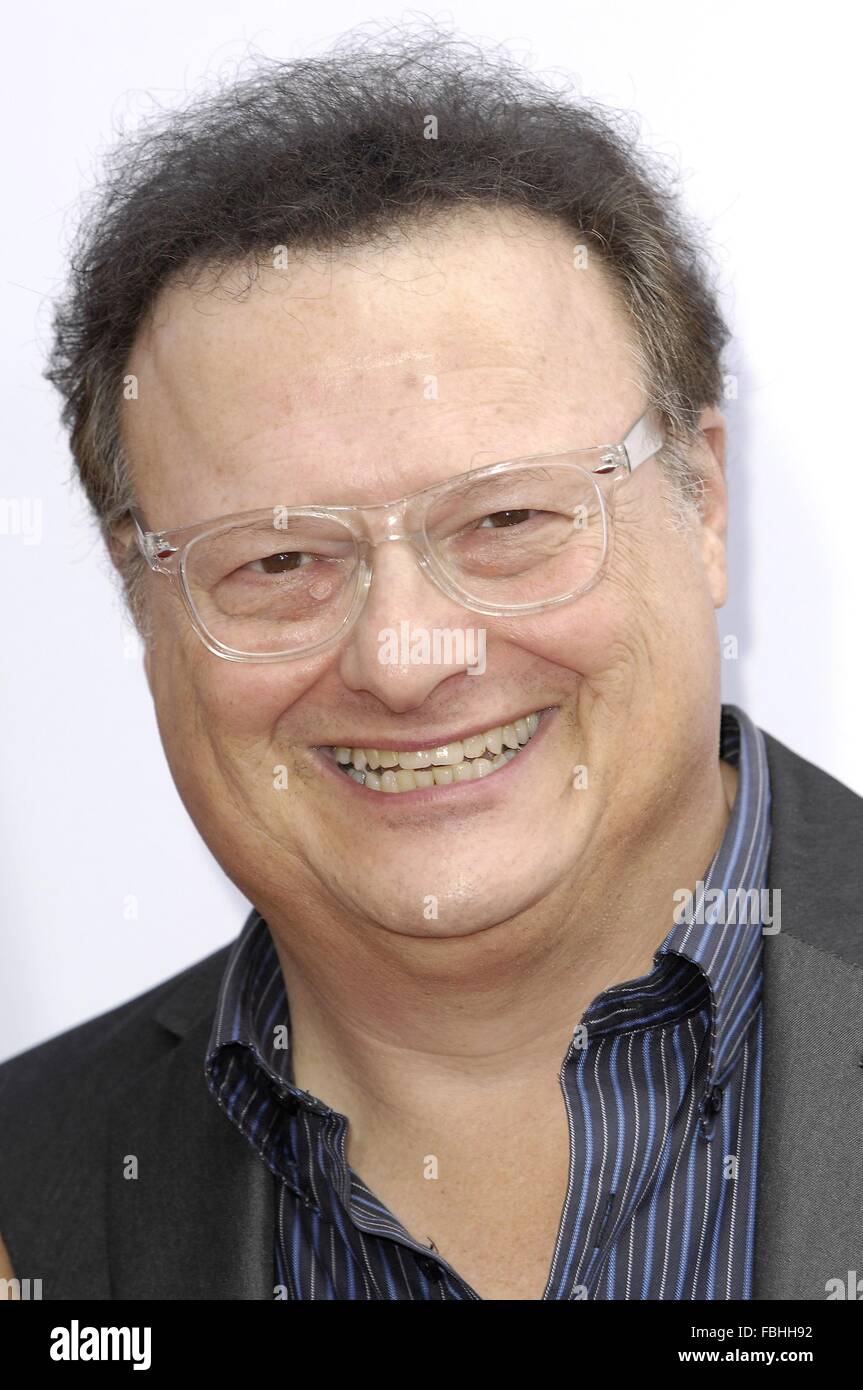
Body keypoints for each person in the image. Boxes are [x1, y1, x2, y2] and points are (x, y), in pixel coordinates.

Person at [1, 29, 861, 1302]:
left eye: (508, 521)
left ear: (704, 502)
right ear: (144, 594)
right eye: (280, 559)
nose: (404, 660)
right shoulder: (34, 1187)